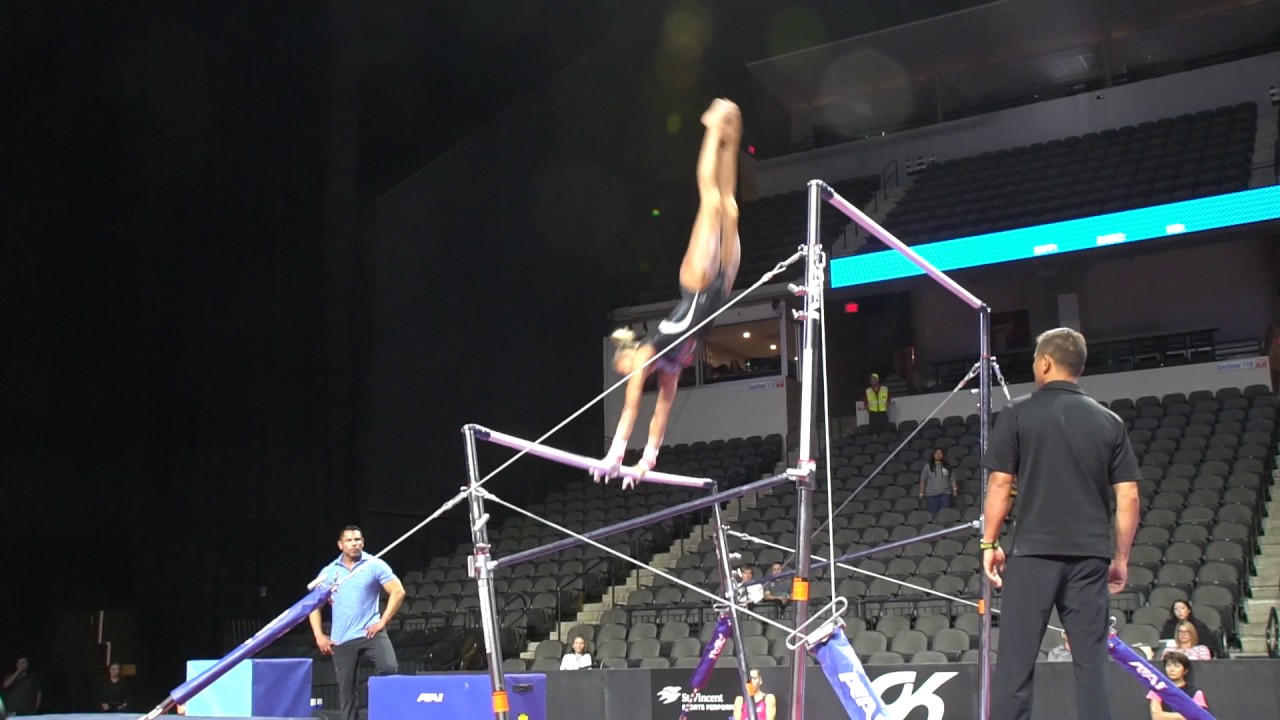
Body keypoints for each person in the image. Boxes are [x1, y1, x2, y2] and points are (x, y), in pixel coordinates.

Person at [980, 327, 1142, 720]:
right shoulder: (1110, 421)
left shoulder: (1017, 413)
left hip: (1033, 555)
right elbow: (1129, 497)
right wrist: (1121, 559)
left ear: (1046, 363)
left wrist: (989, 543)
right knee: (1092, 666)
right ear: (1079, 368)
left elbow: (1000, 484)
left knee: (1015, 665)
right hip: (1089, 557)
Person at [598, 98, 742, 485]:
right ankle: (732, 137)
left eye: (623, 365)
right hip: (720, 292)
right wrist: (646, 462)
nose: (626, 372)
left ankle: (713, 128)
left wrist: (616, 454)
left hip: (696, 285)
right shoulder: (673, 369)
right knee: (729, 208)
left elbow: (631, 411)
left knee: (711, 202)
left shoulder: (646, 353)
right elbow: (661, 412)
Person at [309, 526, 406, 720]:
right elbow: (313, 605)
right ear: (340, 545)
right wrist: (319, 635)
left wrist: (383, 621)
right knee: (346, 692)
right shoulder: (329, 572)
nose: (354, 544)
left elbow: (398, 591)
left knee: (389, 669)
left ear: (363, 542)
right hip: (342, 638)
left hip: (371, 632)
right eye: (349, 540)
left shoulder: (374, 565)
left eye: (357, 540)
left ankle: (386, 714)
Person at [1147, 651, 1209, 718]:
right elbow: (1156, 716)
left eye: (1177, 666)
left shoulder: (1196, 693)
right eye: (1168, 665)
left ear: (1185, 671)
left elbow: (1197, 717)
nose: (1171, 670)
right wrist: (1184, 716)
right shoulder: (1158, 689)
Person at [918, 447, 957, 515]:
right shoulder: (927, 466)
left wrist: (954, 490)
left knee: (944, 514)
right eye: (936, 453)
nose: (938, 455)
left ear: (943, 455)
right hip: (931, 495)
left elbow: (952, 479)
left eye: (940, 453)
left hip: (945, 494)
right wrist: (921, 492)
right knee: (933, 514)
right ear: (933, 455)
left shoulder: (947, 466)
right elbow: (923, 480)